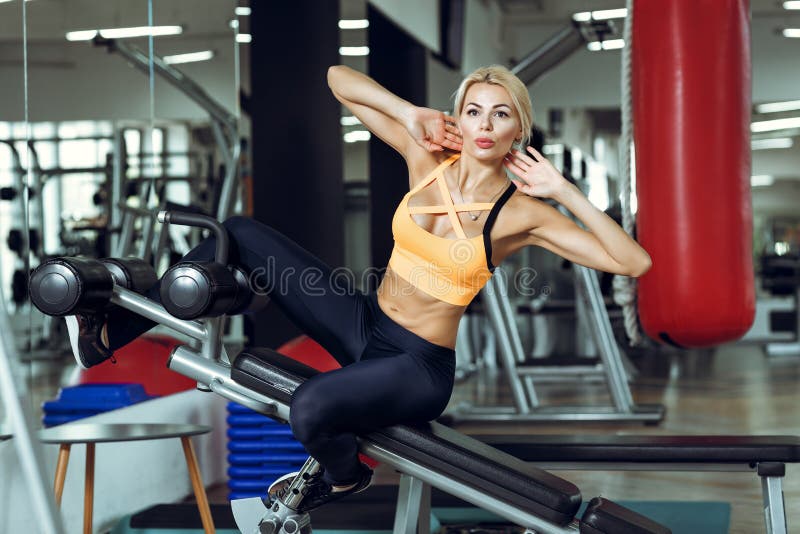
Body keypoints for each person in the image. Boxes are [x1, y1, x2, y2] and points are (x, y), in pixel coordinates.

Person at [63, 64, 652, 511]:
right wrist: (411, 113)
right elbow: (338, 80)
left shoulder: (524, 213)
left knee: (310, 405)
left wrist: (564, 190)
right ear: (460, 117)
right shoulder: (429, 158)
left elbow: (632, 263)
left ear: (517, 128)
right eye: (473, 111)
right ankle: (113, 331)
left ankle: (346, 476)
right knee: (238, 233)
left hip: (418, 365)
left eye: (500, 114)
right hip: (366, 322)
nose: (484, 124)